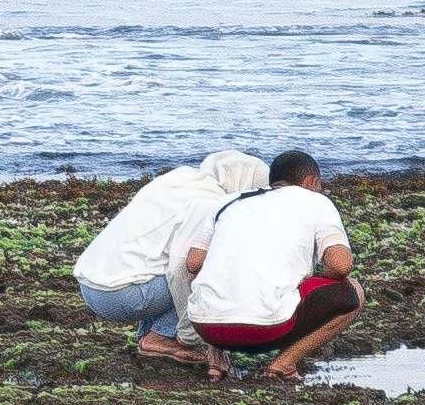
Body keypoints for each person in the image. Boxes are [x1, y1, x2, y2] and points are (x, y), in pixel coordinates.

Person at [73, 150, 268, 373]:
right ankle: (161, 337)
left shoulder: (178, 181)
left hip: (91, 287)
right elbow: (181, 271)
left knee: (157, 259)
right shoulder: (208, 203)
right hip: (120, 296)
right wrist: (190, 335)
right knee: (211, 273)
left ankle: (152, 335)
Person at [176, 151, 360, 379]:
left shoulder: (228, 201)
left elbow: (193, 263)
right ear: (312, 181)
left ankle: (216, 359)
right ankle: (283, 363)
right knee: (354, 293)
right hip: (267, 329)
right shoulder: (317, 201)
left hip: (206, 327)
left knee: (219, 268)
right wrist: (309, 279)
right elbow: (341, 266)